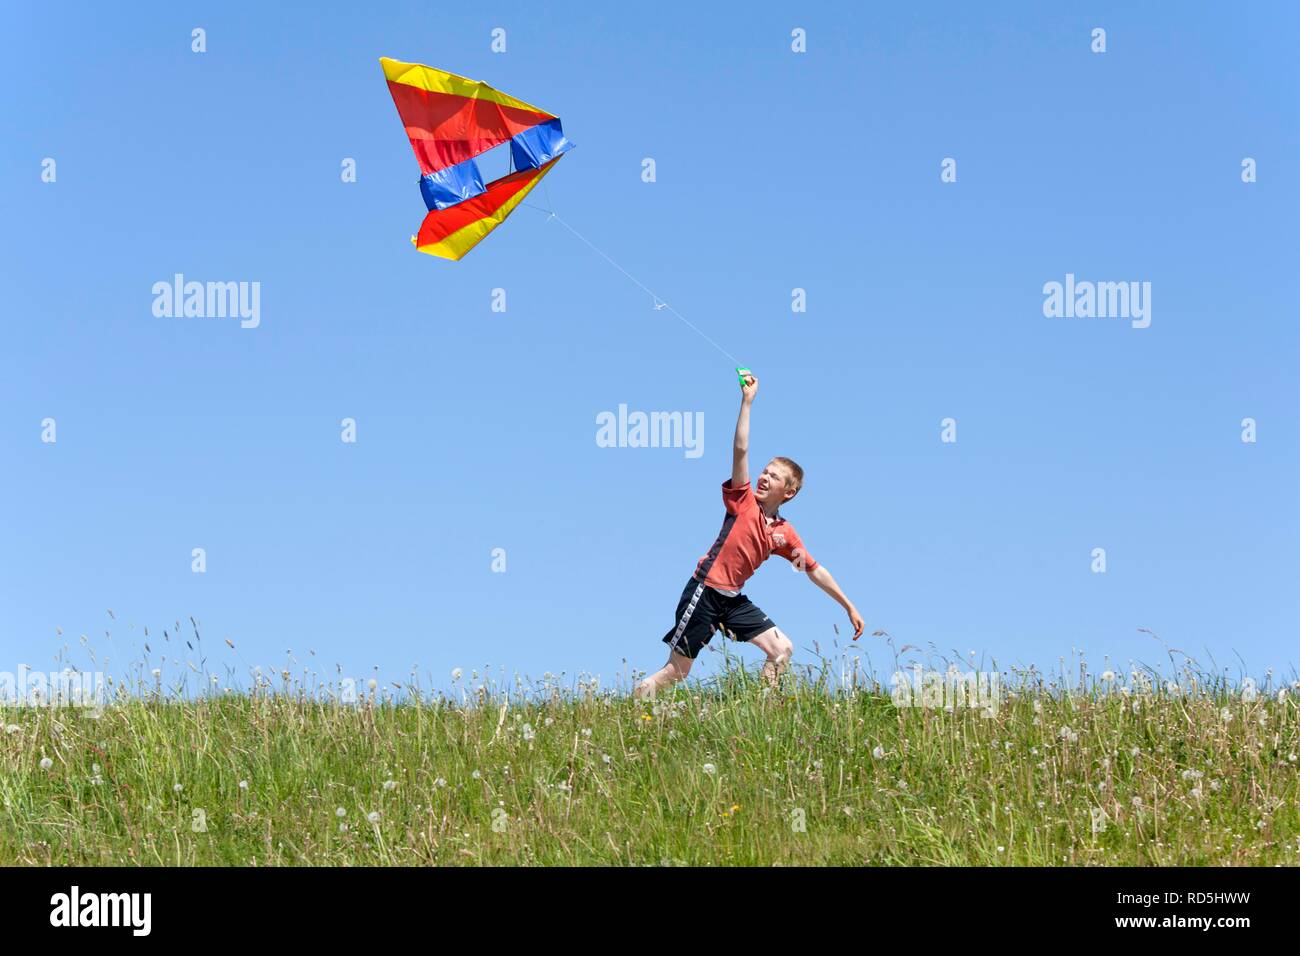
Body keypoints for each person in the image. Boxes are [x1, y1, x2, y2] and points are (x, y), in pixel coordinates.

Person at [635, 370, 864, 699]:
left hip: (731, 602)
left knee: (782, 649)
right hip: (704, 593)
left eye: (774, 476)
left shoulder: (783, 535)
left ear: (789, 492)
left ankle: (762, 712)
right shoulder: (742, 501)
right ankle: (637, 704)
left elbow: (814, 570)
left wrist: (849, 607)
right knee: (678, 671)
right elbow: (740, 450)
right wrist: (747, 402)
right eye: (765, 471)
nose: (765, 477)